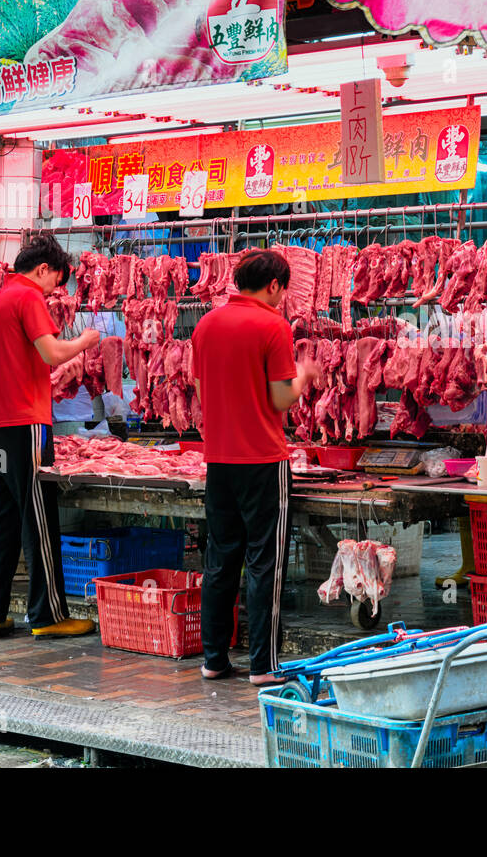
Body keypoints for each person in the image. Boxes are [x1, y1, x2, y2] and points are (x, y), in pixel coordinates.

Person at [192, 250, 319, 685]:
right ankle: (264, 666)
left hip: (219, 460)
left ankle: (214, 659)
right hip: (263, 460)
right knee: (266, 562)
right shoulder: (272, 325)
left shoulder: (207, 324)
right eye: (283, 290)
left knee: (221, 560)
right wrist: (303, 375)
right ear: (273, 287)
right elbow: (280, 399)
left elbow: (197, 384)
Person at [0, 235, 101, 640]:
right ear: (42, 269)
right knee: (39, 518)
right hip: (26, 424)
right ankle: (48, 616)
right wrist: (84, 342)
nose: (55, 290)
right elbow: (51, 353)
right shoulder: (27, 297)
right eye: (56, 281)